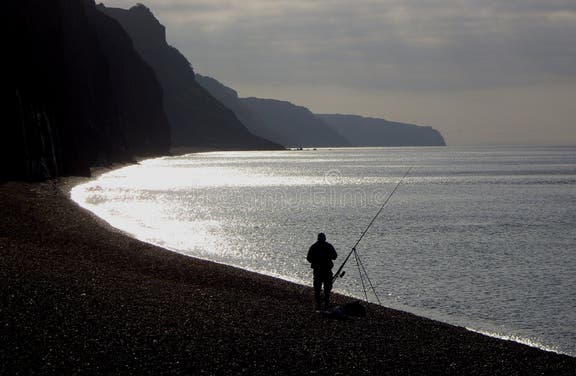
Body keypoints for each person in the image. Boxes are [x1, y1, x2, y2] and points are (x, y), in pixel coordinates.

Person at [306, 233, 337, 311]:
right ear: (324, 238)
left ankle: (319, 305)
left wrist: (315, 261)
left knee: (317, 288)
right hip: (326, 270)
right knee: (327, 288)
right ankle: (325, 304)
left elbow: (309, 258)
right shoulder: (329, 246)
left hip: (318, 271)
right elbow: (335, 256)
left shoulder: (314, 246)